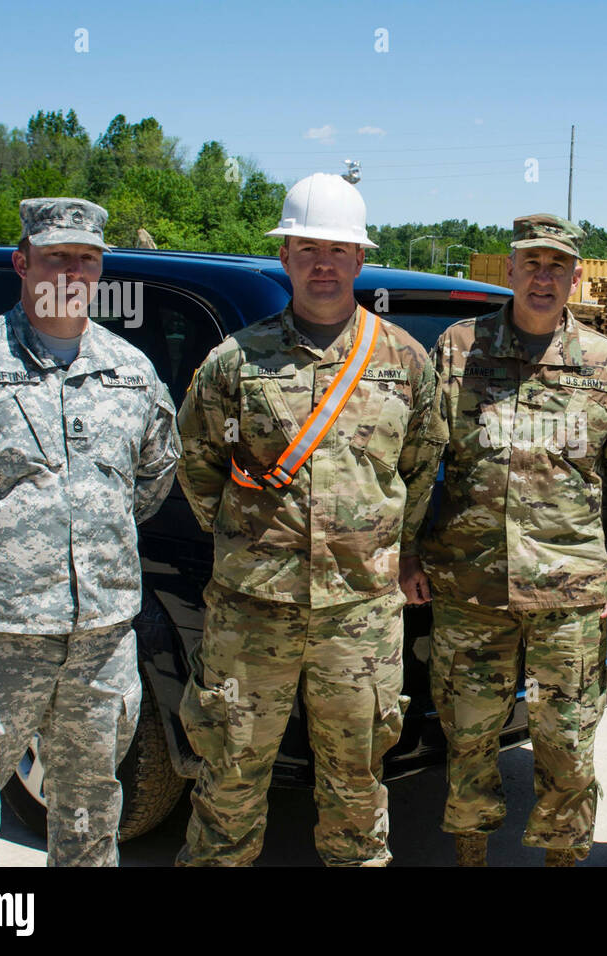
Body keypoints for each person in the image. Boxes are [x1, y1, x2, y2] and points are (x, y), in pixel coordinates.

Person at [0, 197, 181, 866]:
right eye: (54, 257)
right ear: (23, 262)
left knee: (91, 810)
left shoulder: (131, 371)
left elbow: (154, 476)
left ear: (101, 271)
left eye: (86, 259)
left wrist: (85, 536)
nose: (70, 272)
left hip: (98, 646)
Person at [175, 173, 447, 866]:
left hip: (358, 615)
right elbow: (199, 466)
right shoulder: (235, 361)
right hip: (249, 613)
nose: (322, 264)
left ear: (360, 260)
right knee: (229, 778)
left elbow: (418, 471)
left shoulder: (405, 362)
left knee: (357, 787)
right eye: (306, 249)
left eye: (337, 250)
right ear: (285, 257)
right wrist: (251, 546)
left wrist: (391, 550)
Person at [402, 213, 607, 866]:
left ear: (576, 278)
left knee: (567, 751)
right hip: (470, 591)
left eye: (557, 267)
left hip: (569, 601)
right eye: (532, 263)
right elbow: (416, 458)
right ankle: (470, 858)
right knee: (467, 745)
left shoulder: (605, 365)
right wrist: (407, 551)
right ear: (511, 270)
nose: (543, 278)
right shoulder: (459, 350)